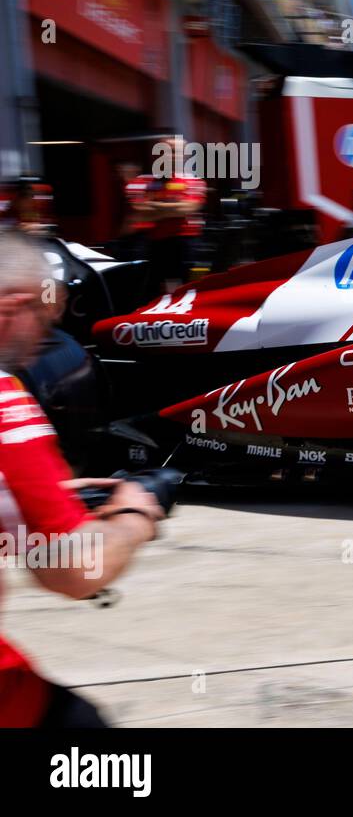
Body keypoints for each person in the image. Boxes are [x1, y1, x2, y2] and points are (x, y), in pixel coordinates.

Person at [0, 233, 163, 727]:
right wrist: (137, 512)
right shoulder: (5, 402)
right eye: (44, 323)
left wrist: (33, 499)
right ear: (14, 309)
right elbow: (73, 568)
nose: (39, 345)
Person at [127, 136, 207, 296]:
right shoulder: (143, 182)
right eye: (166, 151)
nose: (171, 155)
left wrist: (156, 207)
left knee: (185, 290)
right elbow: (141, 211)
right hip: (153, 244)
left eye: (175, 151)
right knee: (148, 290)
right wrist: (174, 208)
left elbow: (188, 208)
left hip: (184, 245)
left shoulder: (194, 182)